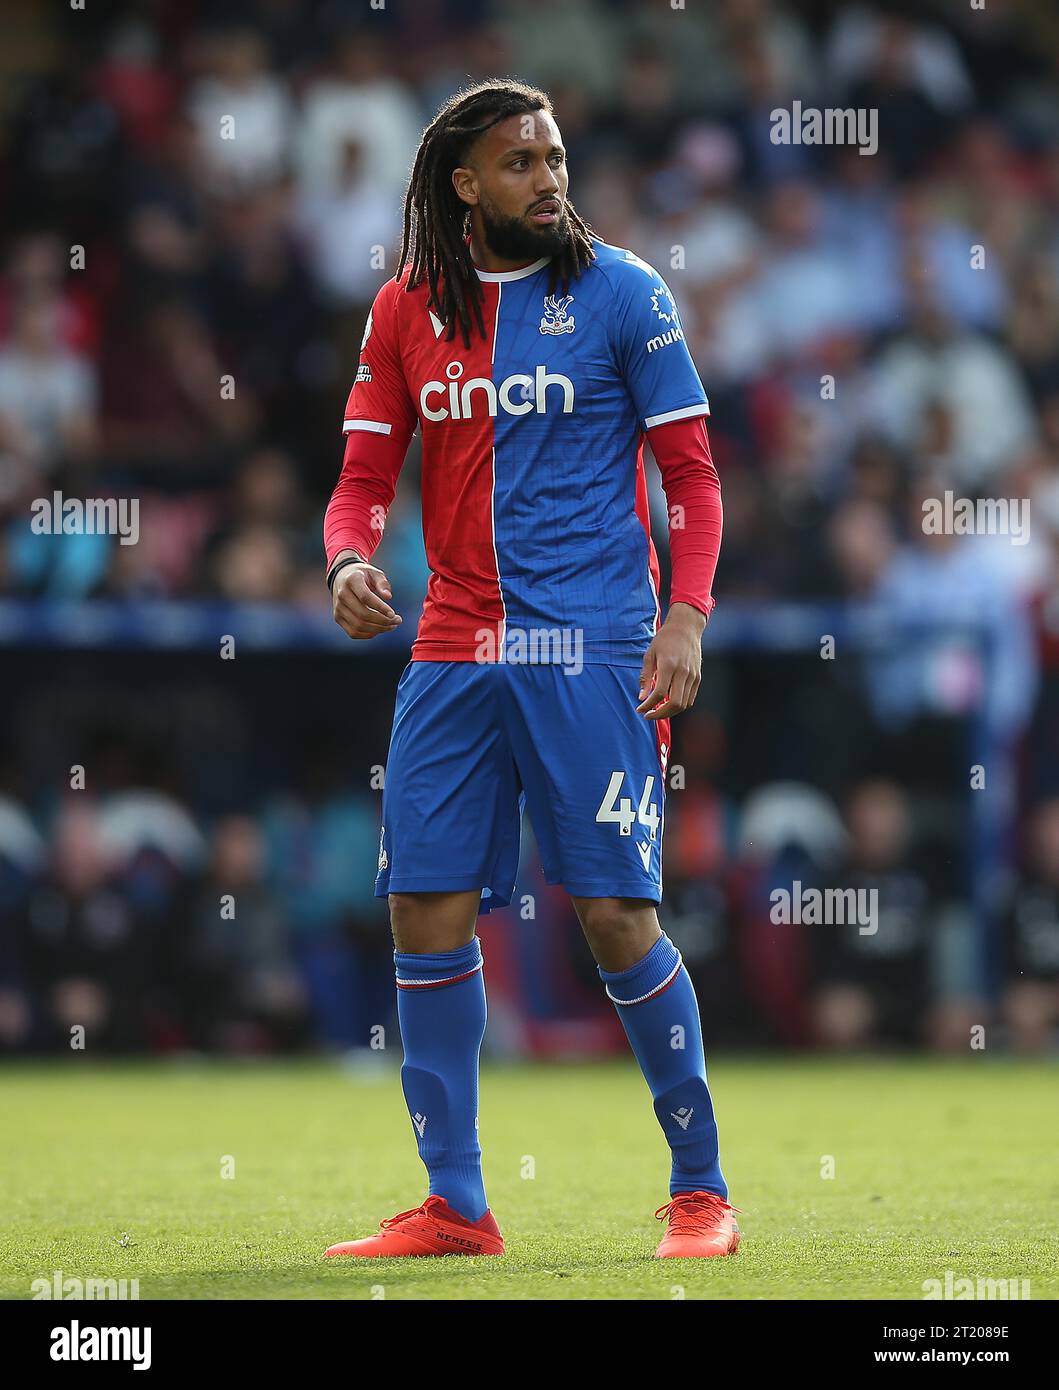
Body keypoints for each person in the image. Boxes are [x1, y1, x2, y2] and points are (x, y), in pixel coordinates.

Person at [322, 80, 731, 1259]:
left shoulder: (625, 295)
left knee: (612, 913)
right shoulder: (405, 309)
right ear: (464, 184)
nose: (549, 179)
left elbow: (695, 483)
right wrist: (348, 561)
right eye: (520, 163)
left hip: (595, 645)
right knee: (424, 905)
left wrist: (688, 618)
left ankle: (701, 1189)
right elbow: (358, 484)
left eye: (555, 157)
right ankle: (458, 1204)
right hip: (452, 644)